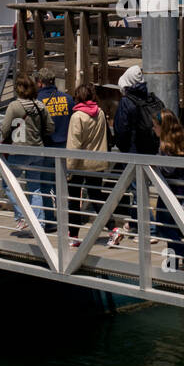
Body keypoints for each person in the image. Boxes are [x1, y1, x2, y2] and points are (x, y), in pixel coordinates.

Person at [110, 65, 164, 245]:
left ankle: (150, 230)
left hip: (134, 152)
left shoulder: (127, 101)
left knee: (139, 191)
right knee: (139, 190)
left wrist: (123, 147)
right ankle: (134, 224)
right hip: (151, 150)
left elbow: (121, 129)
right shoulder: (150, 98)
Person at [0, 73, 54, 231]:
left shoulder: (14, 106)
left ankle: (21, 216)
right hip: (37, 151)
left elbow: (4, 129)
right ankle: (39, 222)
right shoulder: (40, 106)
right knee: (35, 187)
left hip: (18, 152)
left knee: (9, 184)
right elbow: (50, 128)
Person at [152, 109, 184, 271]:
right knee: (169, 225)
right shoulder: (182, 140)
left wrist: (154, 161)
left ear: (162, 127)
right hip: (181, 189)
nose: (153, 129)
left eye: (155, 126)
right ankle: (172, 263)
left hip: (171, 190)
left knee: (163, 225)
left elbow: (168, 168)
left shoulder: (167, 145)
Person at [65, 82, 109, 248]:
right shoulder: (100, 113)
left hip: (79, 164)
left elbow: (74, 144)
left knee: (74, 201)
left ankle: (74, 235)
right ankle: (113, 228)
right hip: (97, 162)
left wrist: (69, 167)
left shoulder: (77, 116)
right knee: (97, 196)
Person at [32, 67, 72, 222]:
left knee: (45, 185)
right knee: (61, 184)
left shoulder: (38, 101)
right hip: (64, 146)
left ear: (40, 83)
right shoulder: (67, 98)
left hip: (46, 146)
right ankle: (66, 217)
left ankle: (49, 219)